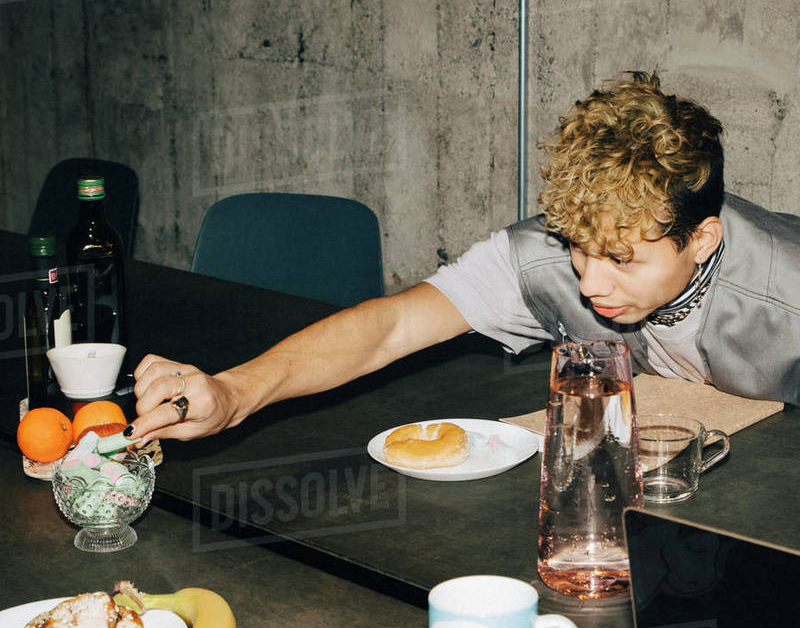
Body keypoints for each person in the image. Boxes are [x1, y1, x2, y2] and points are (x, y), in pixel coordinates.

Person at [128, 72, 800, 443]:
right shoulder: (541, 257)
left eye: (622, 260)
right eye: (577, 245)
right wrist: (232, 392)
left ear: (702, 240)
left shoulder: (789, 298)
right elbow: (390, 327)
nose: (590, 282)